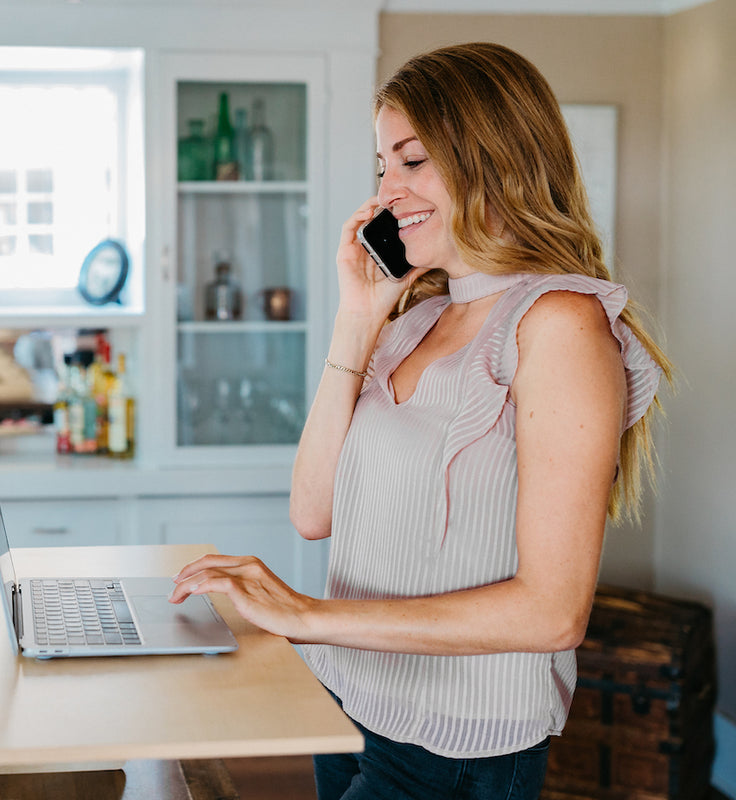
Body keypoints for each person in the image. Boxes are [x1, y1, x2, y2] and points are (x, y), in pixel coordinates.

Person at [168, 42, 672, 800]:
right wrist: (356, 319)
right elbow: (312, 512)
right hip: (351, 698)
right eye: (381, 166)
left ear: (496, 159)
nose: (386, 191)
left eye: (412, 160)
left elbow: (552, 613)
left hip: (456, 740)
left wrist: (310, 614)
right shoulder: (412, 319)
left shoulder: (558, 323)